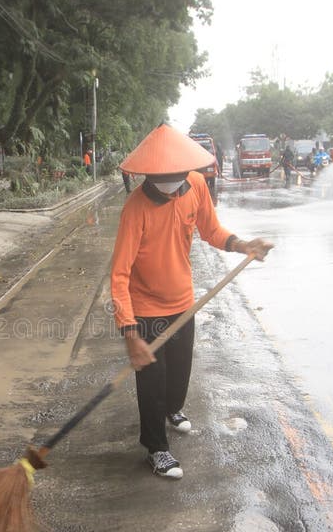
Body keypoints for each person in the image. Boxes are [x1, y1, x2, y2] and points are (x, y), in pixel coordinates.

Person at [111, 124, 273, 480]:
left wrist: (243, 245)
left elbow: (212, 230)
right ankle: (156, 448)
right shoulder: (135, 209)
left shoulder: (197, 186)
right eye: (164, 181)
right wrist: (129, 331)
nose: (172, 188)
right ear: (149, 175)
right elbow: (119, 276)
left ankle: (173, 410)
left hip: (183, 301)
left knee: (178, 374)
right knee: (152, 382)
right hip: (146, 308)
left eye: (177, 179)